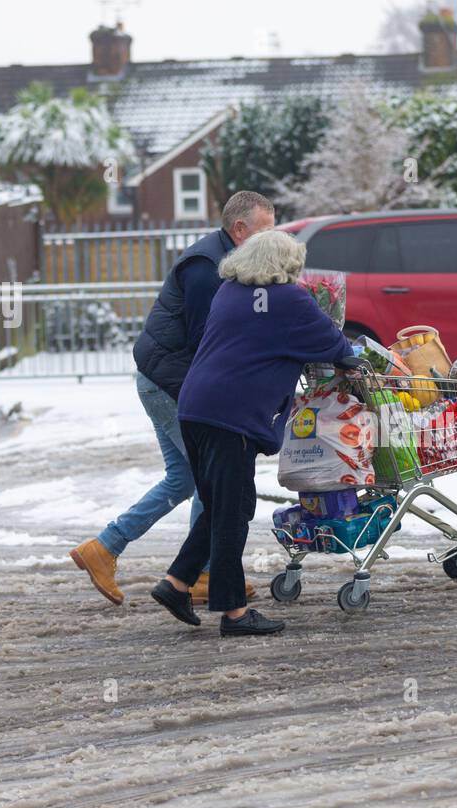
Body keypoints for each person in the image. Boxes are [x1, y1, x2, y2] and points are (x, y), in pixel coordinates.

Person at [70, 191, 276, 606]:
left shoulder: (226, 261)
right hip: (170, 382)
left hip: (165, 378)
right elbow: (209, 343)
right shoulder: (207, 269)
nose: (271, 242)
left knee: (183, 479)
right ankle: (202, 574)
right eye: (265, 233)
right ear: (240, 230)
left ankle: (105, 547)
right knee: (211, 477)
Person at [151, 230, 352, 635]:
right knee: (230, 514)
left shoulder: (228, 292)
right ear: (284, 265)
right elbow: (330, 341)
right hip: (232, 415)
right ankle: (234, 613)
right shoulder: (289, 299)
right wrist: (350, 359)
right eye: (294, 266)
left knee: (225, 506)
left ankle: (175, 583)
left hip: (196, 407)